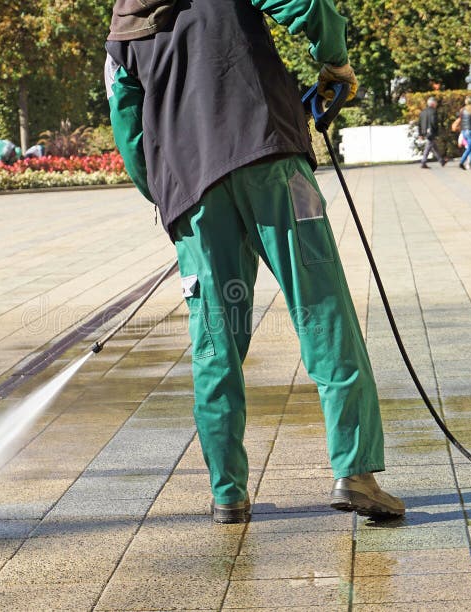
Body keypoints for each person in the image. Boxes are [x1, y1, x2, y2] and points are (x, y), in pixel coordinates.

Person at [105, 0, 404, 524]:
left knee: (216, 337)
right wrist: (335, 61)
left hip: (194, 196)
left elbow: (127, 125)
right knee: (322, 311)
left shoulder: (123, 27)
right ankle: (355, 471)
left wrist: (172, 198)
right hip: (272, 164)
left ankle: (228, 494)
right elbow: (310, 8)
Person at [418, 97, 446, 169]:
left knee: (433, 146)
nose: (436, 104)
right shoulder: (434, 111)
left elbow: (419, 123)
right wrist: (436, 131)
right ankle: (423, 162)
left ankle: (441, 160)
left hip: (425, 131)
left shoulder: (423, 112)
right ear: (433, 103)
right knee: (428, 146)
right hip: (431, 131)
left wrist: (420, 133)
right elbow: (434, 122)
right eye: (436, 103)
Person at [456, 96, 471, 170]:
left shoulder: (462, 110)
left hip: (464, 130)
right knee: (469, 147)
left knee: (470, 147)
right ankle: (461, 162)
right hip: (470, 130)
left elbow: (459, 117)